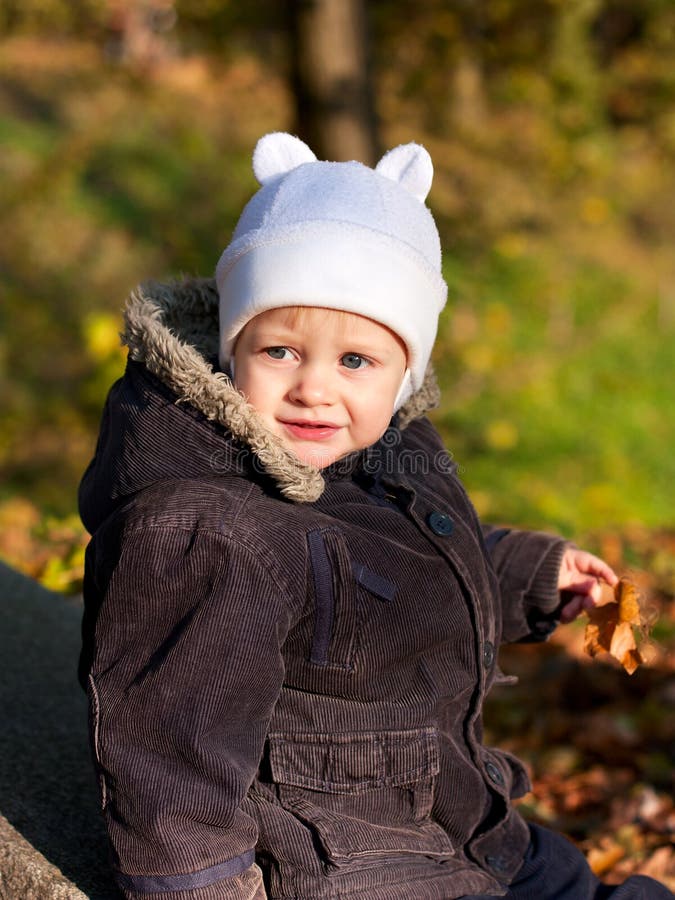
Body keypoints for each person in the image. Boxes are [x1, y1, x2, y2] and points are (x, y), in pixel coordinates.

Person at [78, 132, 673, 900]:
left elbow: (395, 576)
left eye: (354, 361)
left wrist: (526, 574)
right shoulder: (206, 529)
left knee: (577, 884)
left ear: (402, 373)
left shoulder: (382, 450)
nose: (315, 389)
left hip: (454, 821)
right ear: (233, 350)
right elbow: (170, 756)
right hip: (344, 866)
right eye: (281, 352)